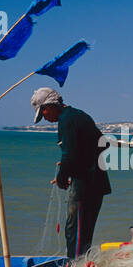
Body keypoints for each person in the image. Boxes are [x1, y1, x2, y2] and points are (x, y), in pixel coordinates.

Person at [31, 87, 112, 257]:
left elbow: (69, 154)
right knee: (85, 232)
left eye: (43, 112)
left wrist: (62, 177)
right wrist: (77, 160)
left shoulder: (66, 121)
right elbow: (104, 144)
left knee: (74, 230)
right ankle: (83, 266)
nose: (45, 117)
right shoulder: (79, 115)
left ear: (50, 105)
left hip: (84, 183)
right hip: (98, 182)